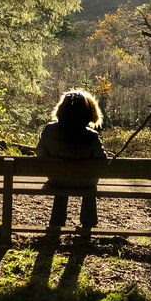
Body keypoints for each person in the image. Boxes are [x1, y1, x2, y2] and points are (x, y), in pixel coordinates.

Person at [36, 89, 108, 229]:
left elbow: (40, 153)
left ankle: (56, 222)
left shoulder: (49, 130)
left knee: (61, 176)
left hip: (58, 179)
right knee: (90, 184)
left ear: (61, 110)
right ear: (86, 112)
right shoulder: (91, 136)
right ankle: (88, 223)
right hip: (85, 181)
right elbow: (102, 160)